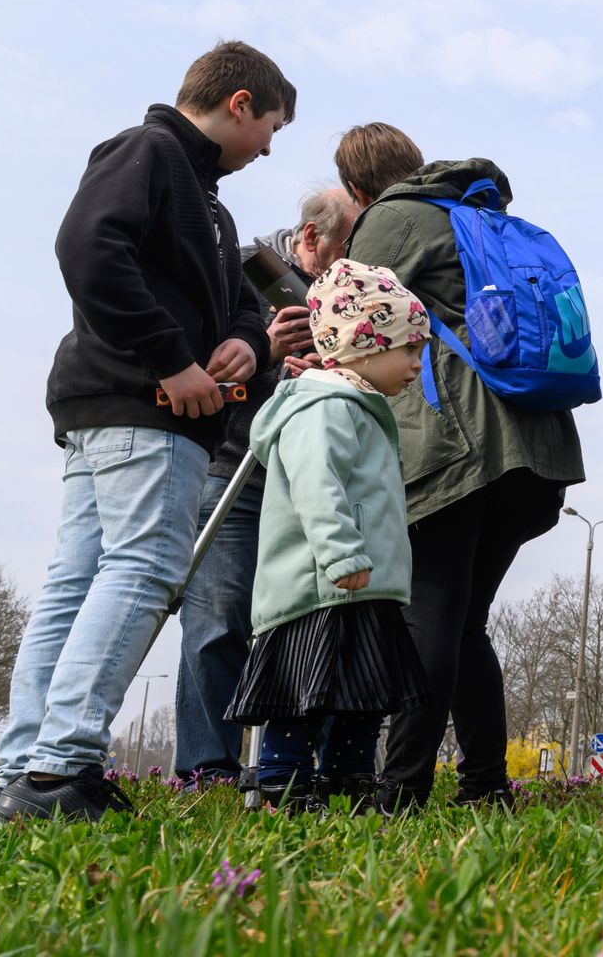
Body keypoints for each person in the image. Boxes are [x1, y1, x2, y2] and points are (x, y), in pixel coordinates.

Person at [0, 41, 291, 823]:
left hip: (114, 408)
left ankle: (25, 769)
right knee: (146, 568)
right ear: (242, 103)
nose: (267, 150)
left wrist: (247, 346)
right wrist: (173, 359)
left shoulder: (210, 204)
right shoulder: (148, 151)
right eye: (271, 129)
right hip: (141, 405)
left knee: (77, 580)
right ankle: (62, 767)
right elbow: (87, 250)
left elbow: (243, 310)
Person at [347, 157, 586, 812]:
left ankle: (401, 789)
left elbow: (351, 329)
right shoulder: (490, 225)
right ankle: (484, 785)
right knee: (463, 621)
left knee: (431, 610)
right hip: (534, 446)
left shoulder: (393, 218)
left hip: (457, 443)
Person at [227, 260, 435, 811]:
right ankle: (282, 783)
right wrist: (342, 554)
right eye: (408, 349)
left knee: (364, 694)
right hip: (322, 588)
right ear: (364, 345)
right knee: (303, 694)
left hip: (365, 587)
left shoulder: (359, 407)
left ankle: (348, 780)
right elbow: (317, 486)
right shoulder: (324, 409)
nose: (418, 364)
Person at [174, 185, 363, 783]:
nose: (358, 260)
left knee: (318, 619)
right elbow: (199, 373)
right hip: (235, 466)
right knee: (217, 617)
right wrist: (265, 355)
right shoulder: (240, 277)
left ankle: (308, 766)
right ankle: (209, 770)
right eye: (349, 246)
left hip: (316, 476)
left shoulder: (354, 294)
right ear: (311, 238)